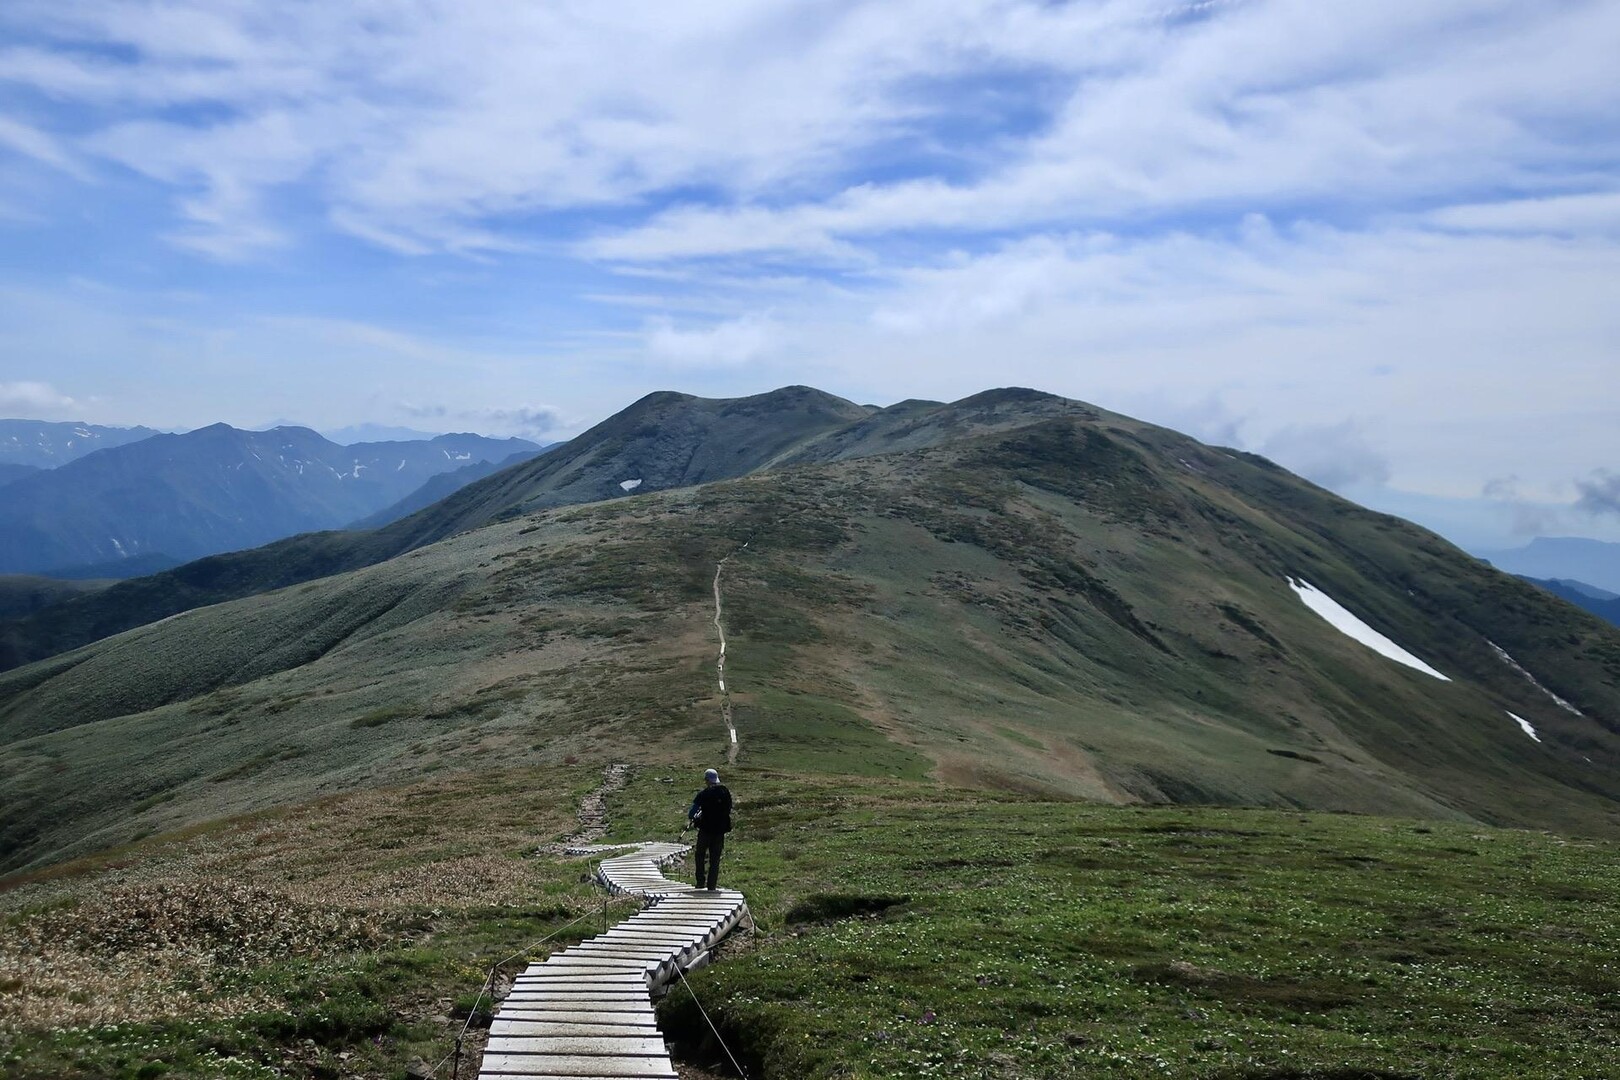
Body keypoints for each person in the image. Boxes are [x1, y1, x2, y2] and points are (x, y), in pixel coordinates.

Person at [685, 767, 732, 891]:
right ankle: (712, 886)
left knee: (700, 855)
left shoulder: (703, 794)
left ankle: (700, 882)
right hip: (720, 831)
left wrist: (699, 816)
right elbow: (728, 809)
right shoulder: (725, 792)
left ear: (706, 779)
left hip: (705, 831)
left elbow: (692, 813)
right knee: (715, 859)